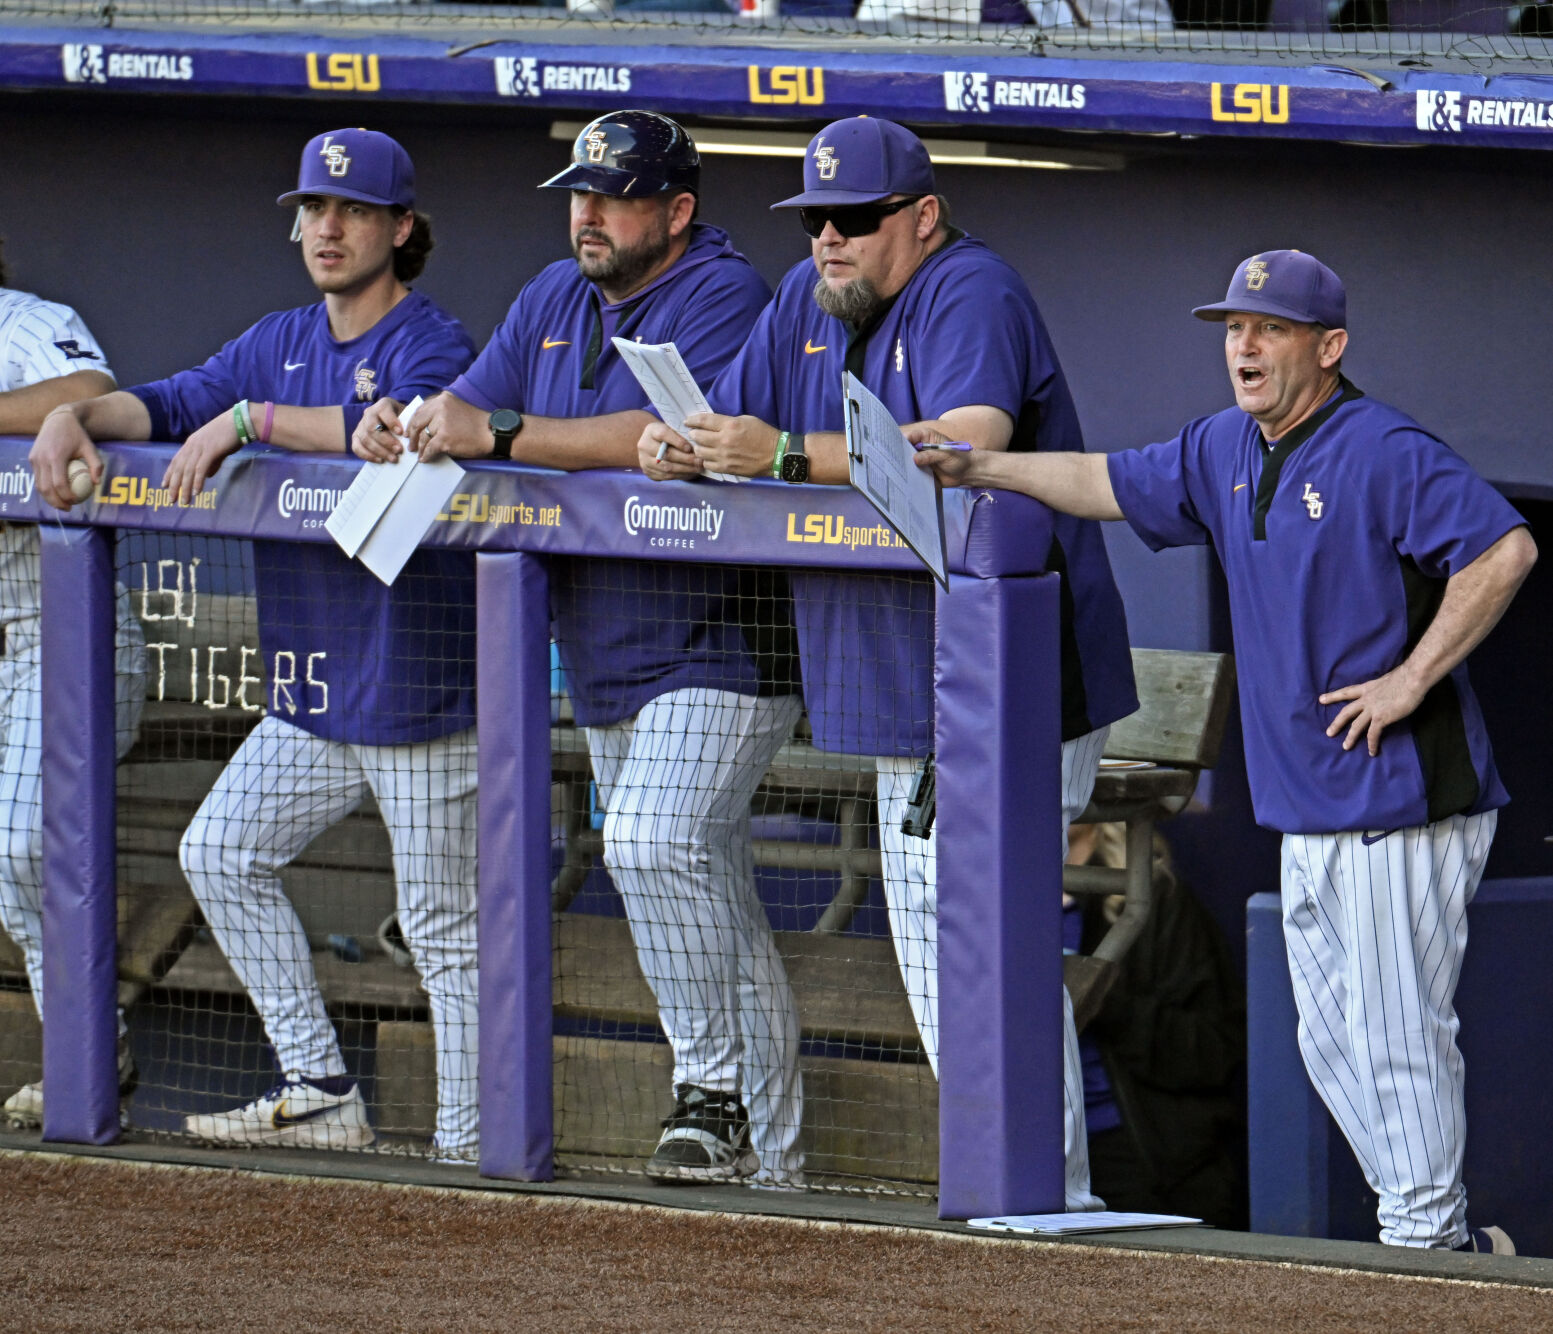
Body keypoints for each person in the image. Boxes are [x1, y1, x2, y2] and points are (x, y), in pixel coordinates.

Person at [914, 249, 1535, 1252]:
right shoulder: (1220, 448)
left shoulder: (1379, 446)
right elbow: (1098, 480)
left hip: (1400, 798)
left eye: (1270, 329)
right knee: (1330, 1041)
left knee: (1390, 1036)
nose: (1242, 346)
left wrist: (1409, 678)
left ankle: (1426, 1246)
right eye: (1234, 329)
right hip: (1307, 804)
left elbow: (1503, 549)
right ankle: (1443, 1243)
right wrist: (977, 463)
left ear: (1327, 347)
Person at [640, 116, 1138, 1211]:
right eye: (814, 217)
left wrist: (772, 454)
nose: (827, 237)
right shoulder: (804, 301)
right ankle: (1023, 1195)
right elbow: (730, 416)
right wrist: (680, 444)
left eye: (855, 219)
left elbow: (961, 447)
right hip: (898, 680)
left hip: (1005, 680)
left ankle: (1039, 1204)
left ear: (919, 217)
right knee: (944, 963)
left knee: (982, 956)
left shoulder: (970, 289)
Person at [352, 111, 805, 1188]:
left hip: (722, 642)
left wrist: (498, 435)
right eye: (577, 192)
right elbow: (463, 406)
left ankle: (706, 1089)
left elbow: (658, 439)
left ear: (676, 209)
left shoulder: (720, 289)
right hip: (605, 647)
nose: (586, 212)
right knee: (716, 905)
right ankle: (779, 1166)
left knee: (647, 841)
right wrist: (404, 422)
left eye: (612, 194)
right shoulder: (553, 297)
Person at [29, 129, 482, 1162]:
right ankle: (320, 1086)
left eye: (354, 210)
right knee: (221, 850)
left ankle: (474, 1149)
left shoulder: (431, 339)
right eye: (314, 209)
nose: (326, 227)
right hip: (316, 693)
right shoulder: (276, 337)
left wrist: (254, 420)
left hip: (418, 692)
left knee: (445, 930)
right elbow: (173, 401)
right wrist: (74, 418)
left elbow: (404, 420)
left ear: (401, 229)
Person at [0, 240, 147, 1128]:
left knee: (23, 845)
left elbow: (89, 393)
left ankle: (86, 1049)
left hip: (64, 633)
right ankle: (85, 1046)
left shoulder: (28, 322)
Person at [1065, 822, 1247, 1229]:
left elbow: (1216, 1051)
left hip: (1134, 1154)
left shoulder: (1154, 898)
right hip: (1026, 1155)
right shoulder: (992, 896)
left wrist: (1105, 999)